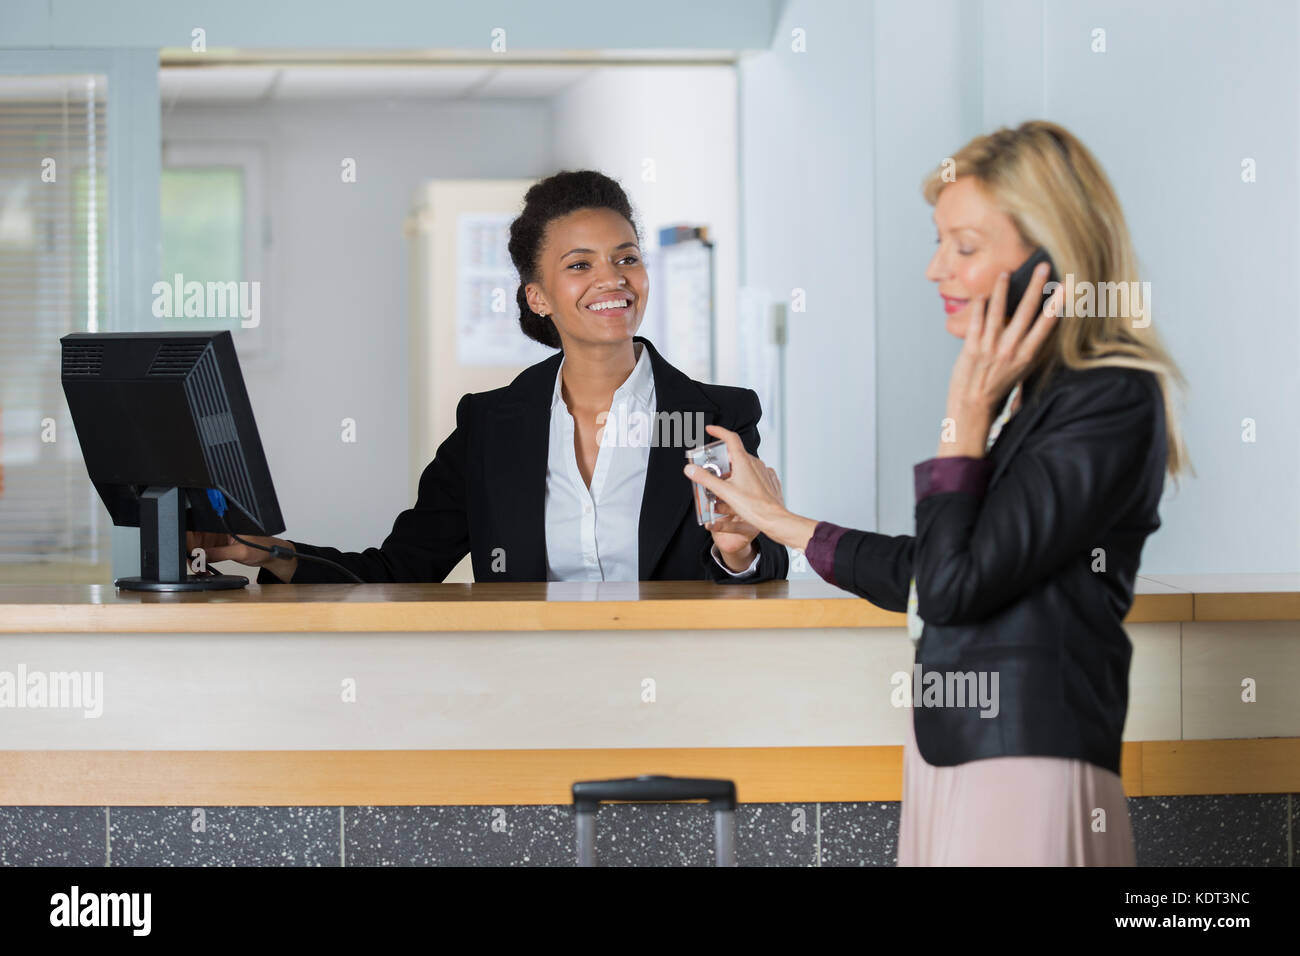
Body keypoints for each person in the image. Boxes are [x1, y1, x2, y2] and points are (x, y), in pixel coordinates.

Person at [684, 121, 1190, 865]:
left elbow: (952, 588)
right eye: (938, 240)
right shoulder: (1041, 399)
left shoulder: (1108, 397)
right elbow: (939, 574)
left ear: (1051, 259)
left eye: (965, 245)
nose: (935, 269)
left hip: (1025, 760)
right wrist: (782, 523)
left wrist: (966, 417)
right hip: (962, 751)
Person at [192, 170, 788, 585]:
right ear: (539, 297)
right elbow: (399, 570)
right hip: (526, 696)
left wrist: (737, 553)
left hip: (682, 687)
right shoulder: (490, 427)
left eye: (626, 257)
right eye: (580, 265)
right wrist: (266, 552)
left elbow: (764, 572)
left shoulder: (716, 418)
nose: (613, 279)